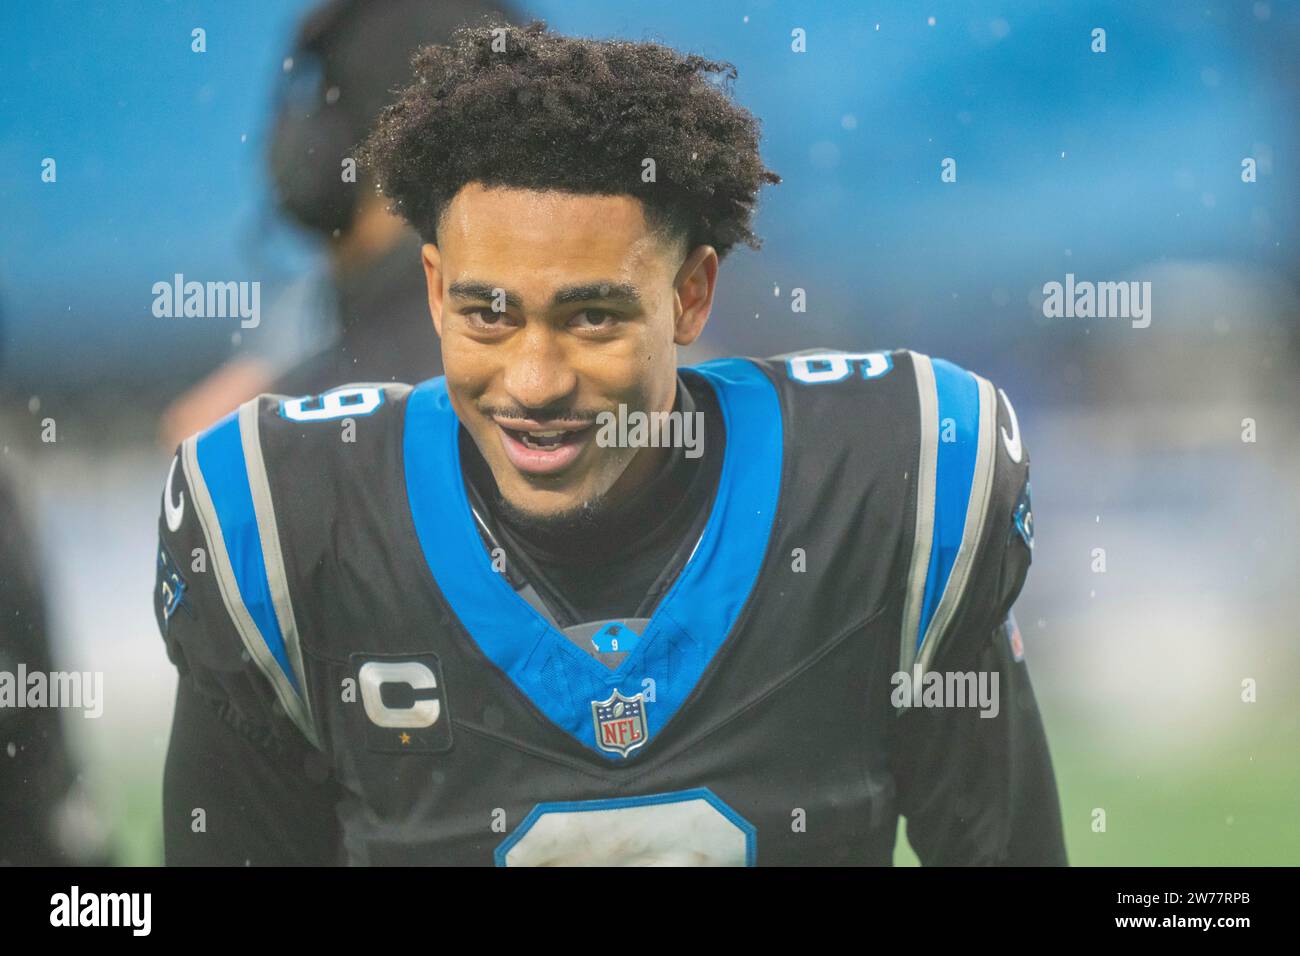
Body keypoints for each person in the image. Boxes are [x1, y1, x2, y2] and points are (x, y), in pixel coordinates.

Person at [154, 20, 1066, 866]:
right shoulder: (289, 520)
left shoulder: (884, 487)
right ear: (435, 291)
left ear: (691, 296)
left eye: (592, 317)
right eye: (487, 315)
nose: (535, 381)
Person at [159, 0, 525, 450]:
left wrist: (242, 445)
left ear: (333, 154)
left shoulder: (279, 442)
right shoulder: (570, 374)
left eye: (319, 104)